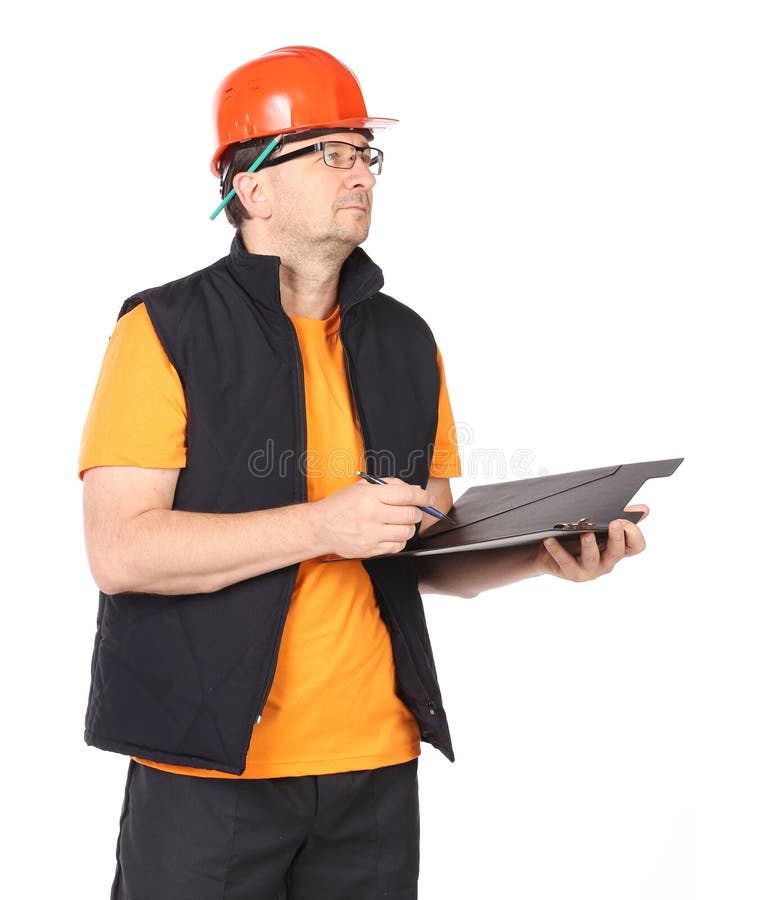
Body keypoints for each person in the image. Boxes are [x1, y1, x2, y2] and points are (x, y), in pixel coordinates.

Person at [78, 45, 649, 900]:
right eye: (331, 153)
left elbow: (423, 553)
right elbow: (121, 552)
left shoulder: (405, 340)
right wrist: (321, 525)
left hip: (374, 768)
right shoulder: (163, 330)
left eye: (365, 154)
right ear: (252, 188)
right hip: (209, 770)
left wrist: (542, 552)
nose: (361, 174)